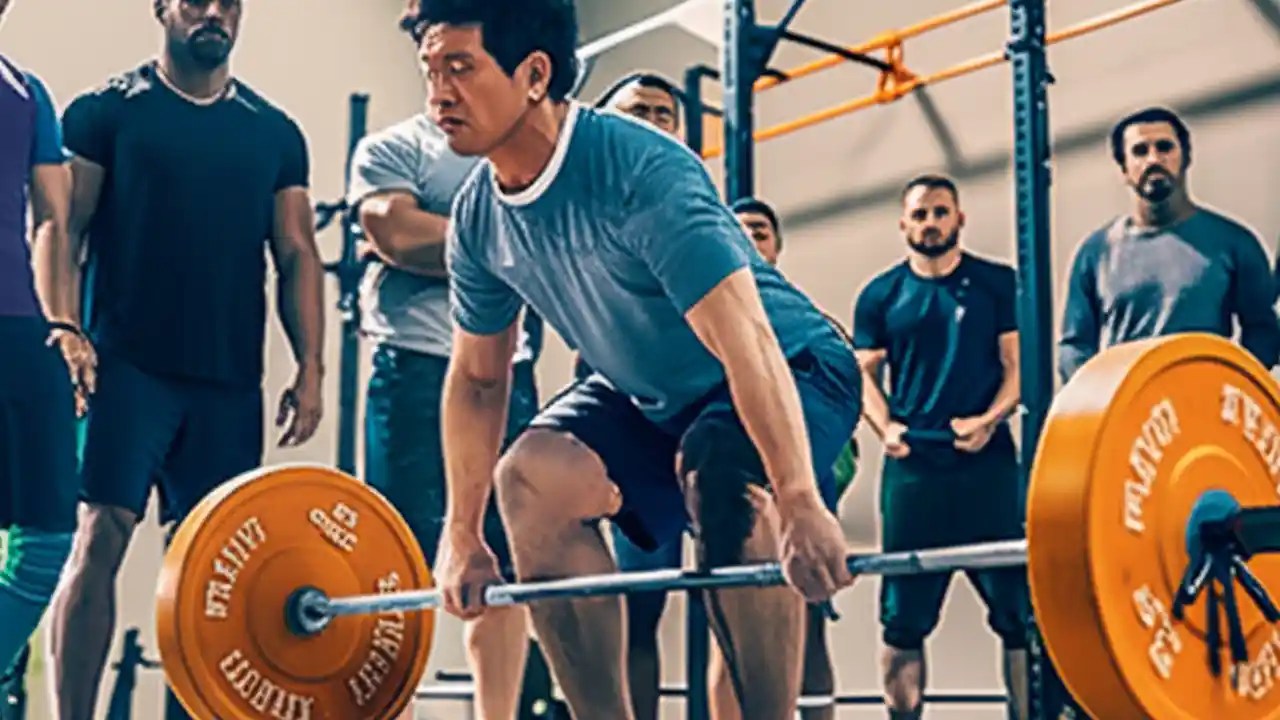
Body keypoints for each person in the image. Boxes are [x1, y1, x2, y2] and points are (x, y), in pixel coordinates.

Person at [402, 1, 861, 717]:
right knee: (529, 479)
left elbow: (746, 340)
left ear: (533, 75)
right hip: (657, 401)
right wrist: (460, 533)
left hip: (796, 367)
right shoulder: (476, 218)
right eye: (430, 71)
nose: (438, 95)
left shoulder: (641, 168)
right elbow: (478, 378)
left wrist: (799, 498)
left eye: (459, 68)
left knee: (719, 463)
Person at [44, 1, 327, 718]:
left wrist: (312, 368)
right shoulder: (104, 113)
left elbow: (296, 253)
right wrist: (66, 329)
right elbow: (63, 228)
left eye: (229, 3)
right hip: (126, 368)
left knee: (211, 567)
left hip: (227, 382)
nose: (214, 13)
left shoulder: (274, 133)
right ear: (162, 8)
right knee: (100, 532)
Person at [348, 103, 548, 719]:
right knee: (395, 558)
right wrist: (507, 238)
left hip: (509, 371)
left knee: (504, 563)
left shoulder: (522, 149)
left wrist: (446, 240)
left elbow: (421, 239)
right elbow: (396, 233)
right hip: (413, 367)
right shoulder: (392, 148)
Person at [852, 175, 1028, 720]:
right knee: (902, 620)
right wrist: (887, 430)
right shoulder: (881, 295)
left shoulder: (997, 284)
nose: (931, 222)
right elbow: (863, 377)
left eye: (940, 212)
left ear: (959, 219)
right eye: (921, 214)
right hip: (914, 473)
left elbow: (1018, 369)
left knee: (1019, 616)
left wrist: (989, 420)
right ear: (904, 224)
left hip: (988, 467)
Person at [1058, 106, 1279, 381]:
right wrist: (1100, 395)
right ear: (1124, 170)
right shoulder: (1096, 251)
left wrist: (1228, 384)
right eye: (1140, 151)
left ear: (1186, 158)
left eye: (1165, 148)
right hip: (1125, 412)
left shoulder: (1234, 242)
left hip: (1204, 408)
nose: (1153, 159)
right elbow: (1074, 346)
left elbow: (1263, 331)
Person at [0, 0, 81, 691]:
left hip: (21, 331)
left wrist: (63, 324)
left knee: (49, 535)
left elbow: (54, 218)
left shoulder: (28, 93)